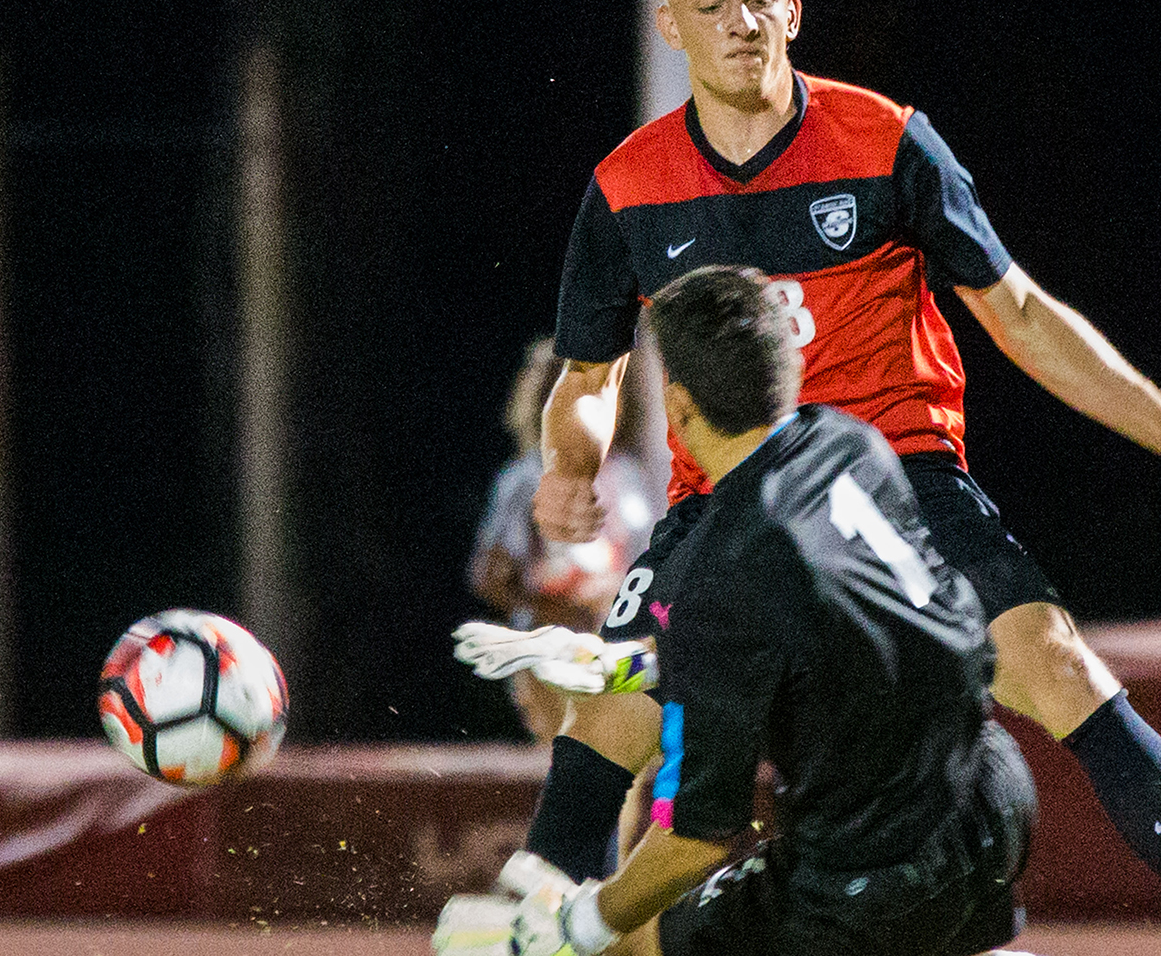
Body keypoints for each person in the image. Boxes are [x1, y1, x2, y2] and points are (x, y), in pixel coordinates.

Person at [517, 0, 1161, 956]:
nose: (740, 21)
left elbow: (1017, 312)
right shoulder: (627, 187)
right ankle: (540, 928)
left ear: (792, 11)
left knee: (1060, 667)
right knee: (606, 716)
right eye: (712, 4)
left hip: (896, 480)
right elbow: (589, 374)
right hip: (726, 502)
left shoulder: (886, 141)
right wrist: (571, 461)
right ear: (671, 27)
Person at [438, 265, 1041, 956]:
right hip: (993, 795)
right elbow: (806, 641)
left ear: (681, 406)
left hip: (868, 871)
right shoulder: (851, 443)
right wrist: (609, 662)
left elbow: (694, 836)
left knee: (630, 942)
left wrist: (580, 925)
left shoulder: (723, 566)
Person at [469, 336, 662, 742]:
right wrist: (552, 599)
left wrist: (616, 594)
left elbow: (652, 564)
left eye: (607, 393)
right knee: (569, 758)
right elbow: (489, 576)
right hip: (550, 652)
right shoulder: (525, 479)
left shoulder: (631, 476)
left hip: (622, 649)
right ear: (548, 403)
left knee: (627, 760)